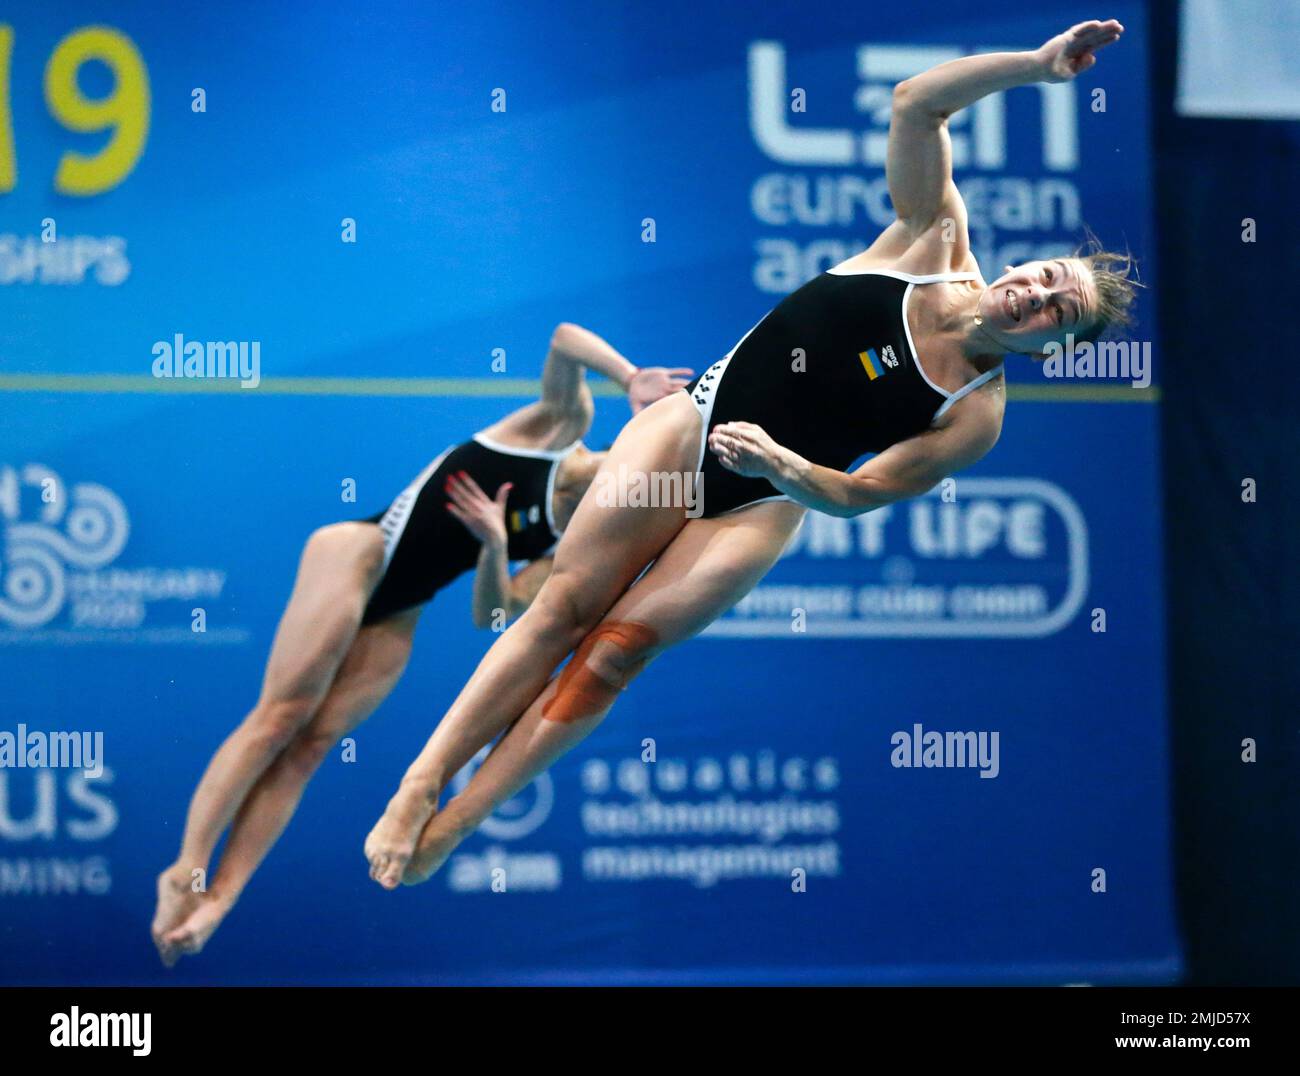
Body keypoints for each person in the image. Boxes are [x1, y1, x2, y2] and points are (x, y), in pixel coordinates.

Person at [363, 19, 1137, 889]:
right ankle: (419, 783)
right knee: (561, 612)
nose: (1032, 296)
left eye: (1055, 315)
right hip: (692, 428)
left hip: (766, 500)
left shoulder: (976, 416)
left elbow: (859, 493)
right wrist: (1034, 67)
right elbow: (917, 105)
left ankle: (458, 822)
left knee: (614, 654)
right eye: (1042, 276)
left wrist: (782, 469)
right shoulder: (933, 242)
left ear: (1052, 352)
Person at [151, 324, 691, 963]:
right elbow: (563, 339)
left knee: (309, 750)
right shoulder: (558, 426)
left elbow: (493, 616)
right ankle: (184, 871)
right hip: (359, 554)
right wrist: (629, 375)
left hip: (402, 610)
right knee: (281, 719)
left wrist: (493, 546)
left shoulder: (568, 541)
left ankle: (222, 898)